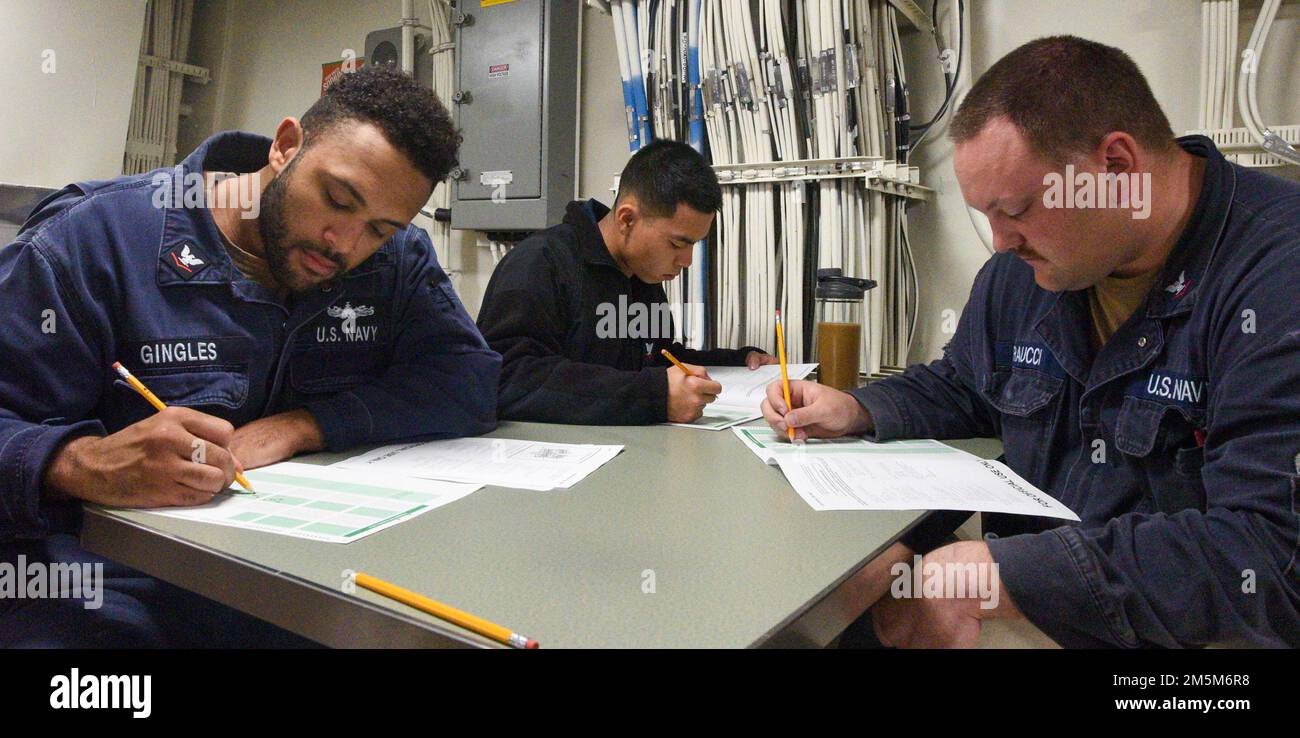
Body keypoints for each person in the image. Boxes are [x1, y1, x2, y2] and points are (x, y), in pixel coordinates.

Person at [764, 36, 1300, 648]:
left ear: (1116, 168)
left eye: (1016, 209)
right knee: (852, 601)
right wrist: (858, 408)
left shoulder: (1276, 274)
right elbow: (969, 385)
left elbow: (1266, 558)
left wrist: (1005, 576)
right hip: (1051, 594)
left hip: (1191, 643)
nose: (999, 243)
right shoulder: (1024, 274)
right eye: (986, 216)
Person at [0, 65, 500, 647]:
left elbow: (469, 380)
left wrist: (305, 426)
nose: (346, 244)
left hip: (301, 587)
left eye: (380, 230)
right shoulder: (95, 241)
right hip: (102, 587)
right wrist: (79, 463)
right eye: (337, 200)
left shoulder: (397, 263)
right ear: (285, 147)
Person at [476, 140, 777, 425]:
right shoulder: (539, 264)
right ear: (627, 220)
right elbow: (507, 378)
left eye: (693, 245)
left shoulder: (641, 274)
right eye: (676, 244)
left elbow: (658, 359)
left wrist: (738, 361)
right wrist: (654, 396)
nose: (686, 261)